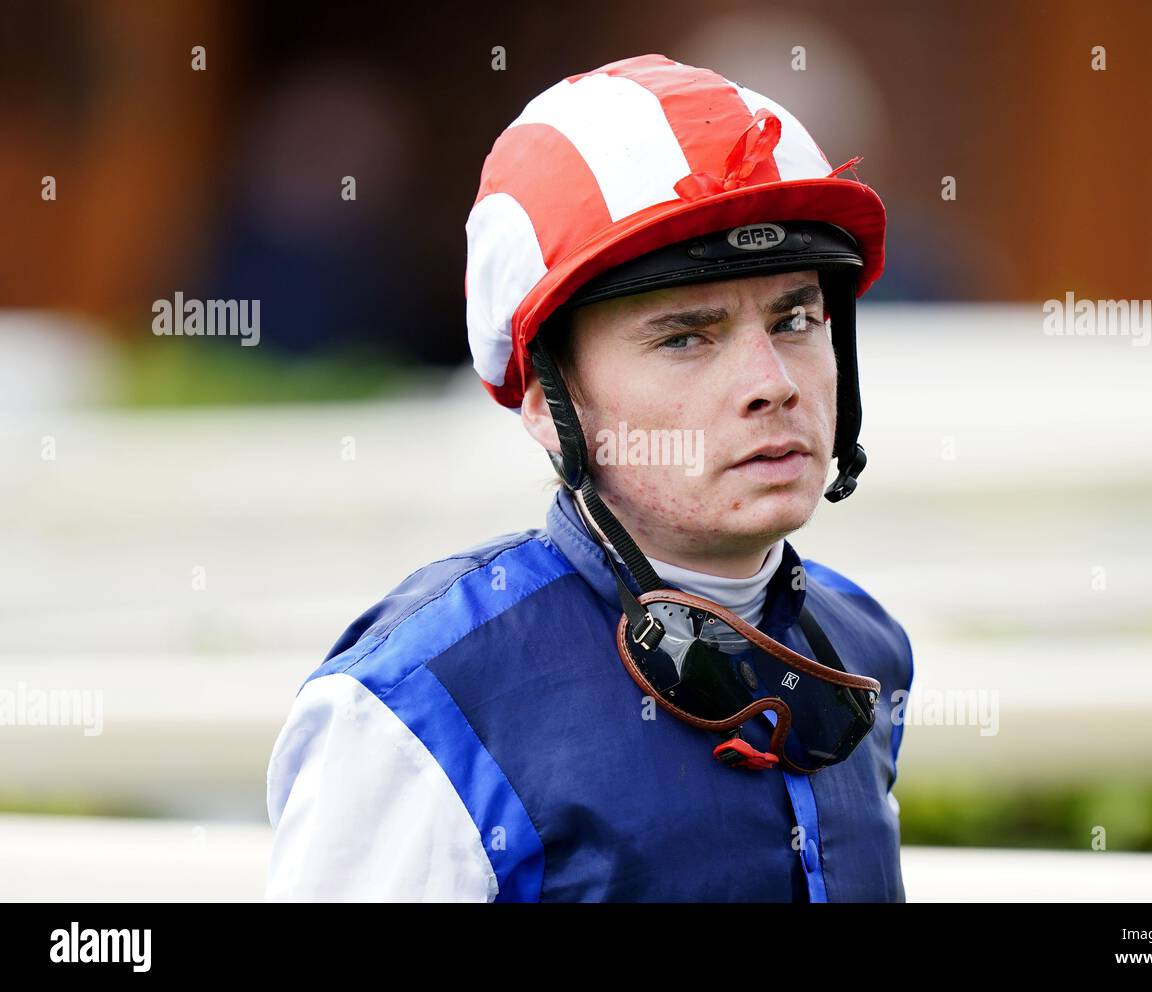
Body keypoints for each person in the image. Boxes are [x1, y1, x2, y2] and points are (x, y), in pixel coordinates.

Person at [265, 52, 914, 902]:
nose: (774, 382)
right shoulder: (417, 705)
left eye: (795, 318)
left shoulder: (867, 648)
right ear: (546, 401)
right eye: (687, 336)